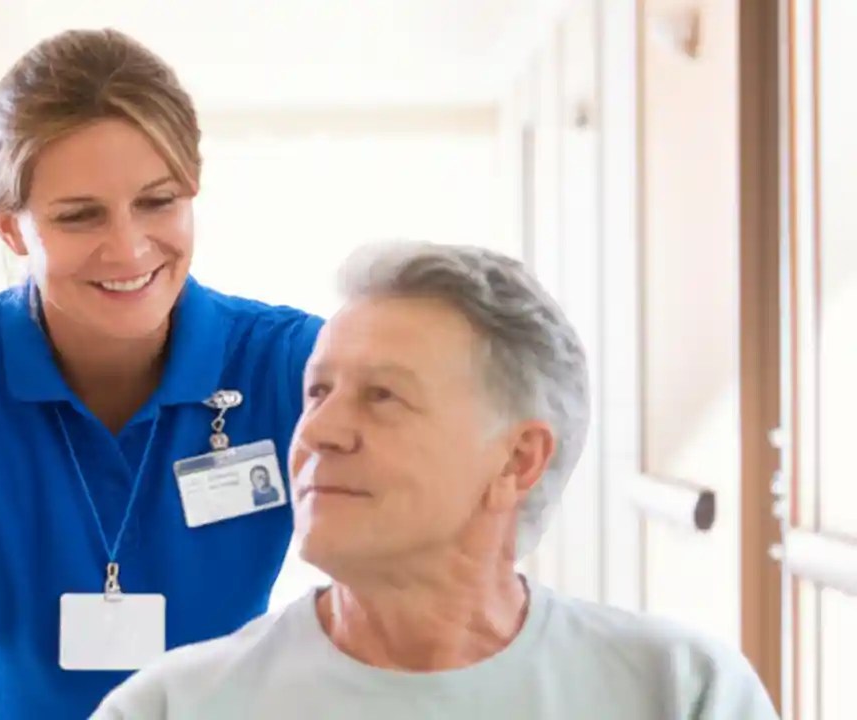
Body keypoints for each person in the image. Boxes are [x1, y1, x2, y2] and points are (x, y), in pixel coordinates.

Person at [94, 242, 779, 719]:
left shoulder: (683, 693)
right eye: (318, 392)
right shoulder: (169, 708)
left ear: (517, 461)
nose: (318, 433)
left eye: (383, 396)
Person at [0, 28, 322, 719]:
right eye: (79, 217)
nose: (129, 248)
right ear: (10, 230)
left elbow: (397, 600)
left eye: (158, 202)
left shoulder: (289, 363)